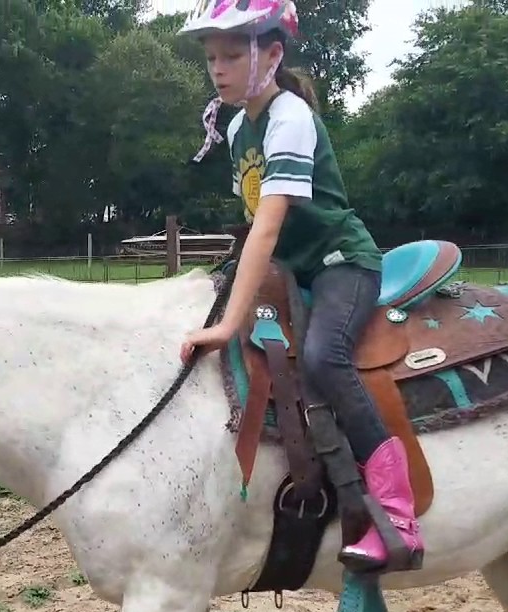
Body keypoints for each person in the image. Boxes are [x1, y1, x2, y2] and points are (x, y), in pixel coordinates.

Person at [175, 0, 423, 575]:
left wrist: (229, 321)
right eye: (212, 57)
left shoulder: (290, 116)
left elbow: (267, 223)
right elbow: (257, 222)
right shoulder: (239, 126)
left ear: (273, 53)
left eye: (234, 54)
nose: (219, 68)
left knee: (323, 357)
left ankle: (396, 508)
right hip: (295, 269)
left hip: (341, 263)